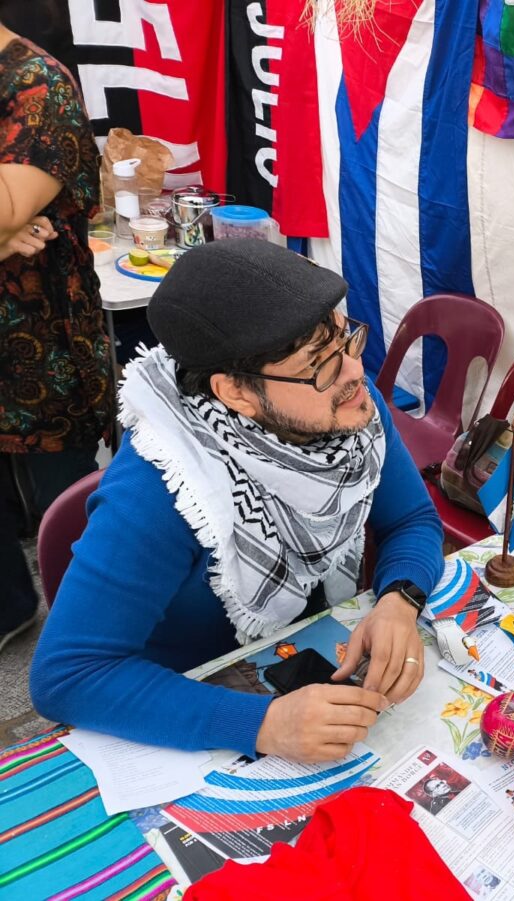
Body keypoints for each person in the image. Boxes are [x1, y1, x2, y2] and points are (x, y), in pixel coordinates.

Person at [30, 240, 444, 763]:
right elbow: (67, 675)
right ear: (236, 393)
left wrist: (398, 601)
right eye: (319, 366)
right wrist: (261, 724)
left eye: (348, 340)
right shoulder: (161, 491)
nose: (354, 374)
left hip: (299, 653)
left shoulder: (354, 413)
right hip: (183, 701)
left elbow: (411, 520)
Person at [0, 18, 111, 651]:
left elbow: (12, 207)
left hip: (44, 351)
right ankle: (11, 611)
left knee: (65, 511)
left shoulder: (39, 87)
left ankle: (91, 644)